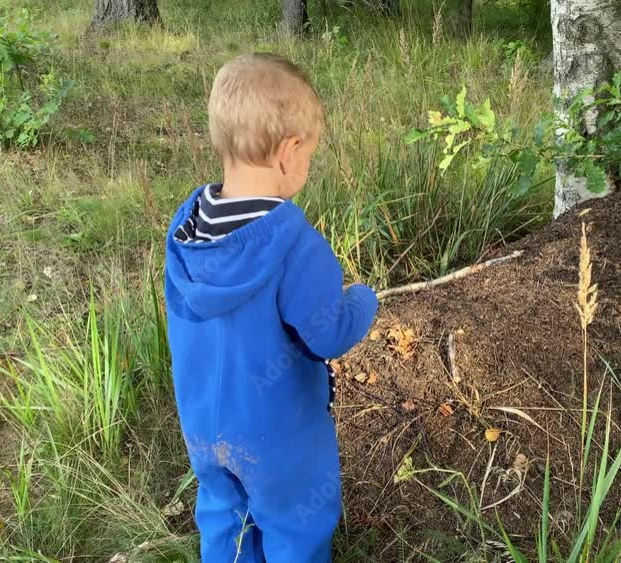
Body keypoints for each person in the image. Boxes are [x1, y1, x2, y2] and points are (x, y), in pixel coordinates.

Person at [163, 53, 379, 563]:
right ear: (288, 152)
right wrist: (362, 301)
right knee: (295, 523)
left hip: (202, 427)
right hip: (277, 432)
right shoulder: (296, 246)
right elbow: (326, 334)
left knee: (223, 512)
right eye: (310, 154)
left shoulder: (186, 233)